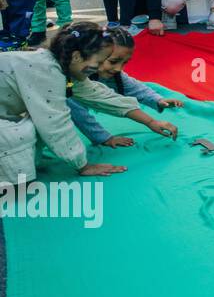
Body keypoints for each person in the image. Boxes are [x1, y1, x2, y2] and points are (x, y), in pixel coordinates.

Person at [0, 23, 174, 185]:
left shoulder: (61, 67)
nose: (99, 68)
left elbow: (101, 96)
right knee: (24, 132)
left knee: (34, 128)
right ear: (76, 57)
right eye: (98, 62)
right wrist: (82, 165)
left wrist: (151, 122)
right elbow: (55, 124)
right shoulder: (46, 72)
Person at [69, 26, 183, 149]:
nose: (119, 68)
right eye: (112, 61)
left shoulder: (88, 72)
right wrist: (83, 165)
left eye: (124, 63)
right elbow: (81, 110)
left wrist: (158, 101)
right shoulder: (67, 82)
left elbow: (131, 90)